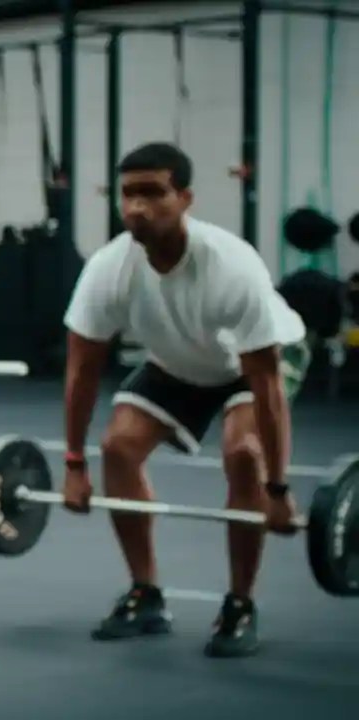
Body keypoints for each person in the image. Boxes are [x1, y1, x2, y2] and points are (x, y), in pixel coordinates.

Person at [62, 142, 308, 659]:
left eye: (153, 193)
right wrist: (73, 463)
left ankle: (240, 603)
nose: (137, 208)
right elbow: (82, 370)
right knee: (119, 447)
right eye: (128, 194)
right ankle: (146, 594)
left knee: (243, 455)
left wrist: (278, 488)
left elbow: (265, 385)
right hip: (178, 361)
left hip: (251, 364)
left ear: (186, 198)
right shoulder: (109, 269)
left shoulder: (232, 266)